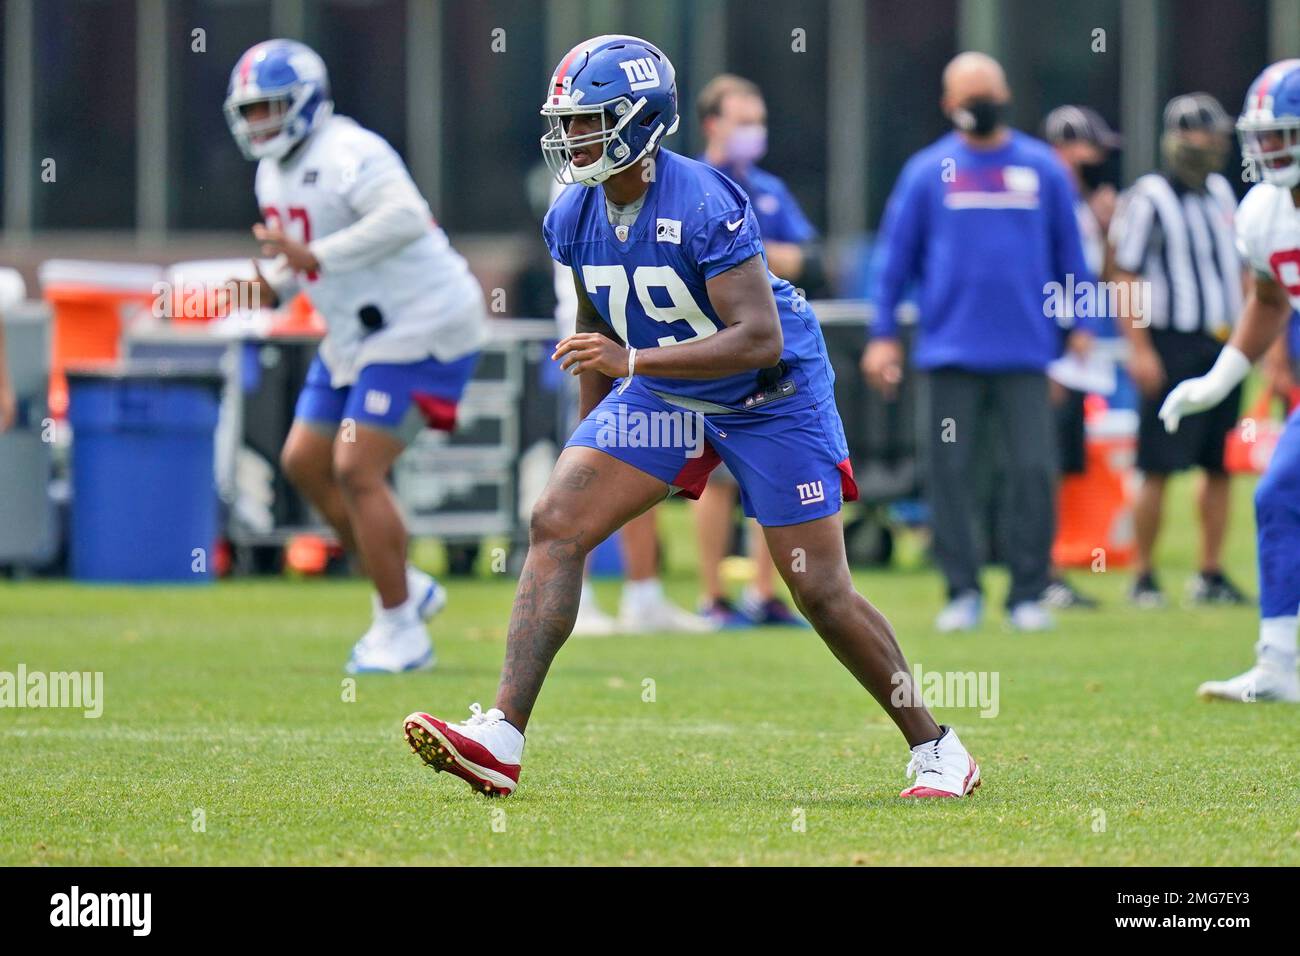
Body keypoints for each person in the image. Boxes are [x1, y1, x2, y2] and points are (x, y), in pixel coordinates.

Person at [403, 35, 981, 799]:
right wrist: (593, 438)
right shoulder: (573, 212)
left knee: (818, 588)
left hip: (769, 395)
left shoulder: (704, 199)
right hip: (669, 393)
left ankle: (938, 747)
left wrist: (631, 365)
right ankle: (502, 736)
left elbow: (758, 337)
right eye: (567, 123)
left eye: (590, 121)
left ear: (641, 122)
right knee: (555, 521)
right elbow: (594, 337)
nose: (573, 138)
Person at [223, 39, 488, 672]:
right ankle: (403, 585)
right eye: (251, 110)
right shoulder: (272, 172)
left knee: (356, 465)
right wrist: (274, 281)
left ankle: (401, 628)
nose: (260, 123)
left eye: (272, 107)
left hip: (422, 321)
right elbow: (306, 253)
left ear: (306, 102)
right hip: (353, 335)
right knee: (304, 462)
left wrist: (316, 258)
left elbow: (403, 217)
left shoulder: (350, 150)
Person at [862, 52, 1094, 633]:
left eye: (987, 92)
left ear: (1006, 94)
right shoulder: (926, 172)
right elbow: (895, 261)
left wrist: (1081, 327)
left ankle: (1027, 592)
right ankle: (961, 590)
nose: (979, 104)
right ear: (948, 105)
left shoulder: (1042, 169)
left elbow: (1072, 256)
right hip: (949, 353)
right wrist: (883, 336)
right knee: (951, 472)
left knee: (1032, 470)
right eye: (968, 97)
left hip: (1026, 354)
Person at [1161, 60, 1300, 702]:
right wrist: (1220, 379)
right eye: (1263, 134)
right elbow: (1270, 300)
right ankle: (1278, 664)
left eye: (1284, 132)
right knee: (1277, 495)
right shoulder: (1263, 212)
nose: (1269, 148)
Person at [548, 179, 716, 637]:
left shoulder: (674, 191)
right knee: (579, 484)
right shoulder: (575, 198)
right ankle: (578, 599)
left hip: (644, 345)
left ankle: (643, 592)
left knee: (636, 473)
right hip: (595, 345)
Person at [1108, 93, 1250, 608]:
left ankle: (1209, 573)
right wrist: (1139, 347)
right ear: (1177, 138)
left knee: (1219, 463)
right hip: (1170, 341)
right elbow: (1123, 272)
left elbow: (1242, 268)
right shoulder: (1148, 196)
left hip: (1221, 341)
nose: (1212, 143)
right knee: (1159, 462)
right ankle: (1143, 575)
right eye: (1202, 133)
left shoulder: (1220, 192)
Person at [694, 74, 816, 627]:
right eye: (743, 121)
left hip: (768, 354)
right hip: (709, 346)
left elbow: (798, 255)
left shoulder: (767, 187)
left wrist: (750, 263)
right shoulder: (693, 183)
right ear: (713, 124)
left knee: (768, 470)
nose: (753, 132)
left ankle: (764, 594)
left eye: (758, 122)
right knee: (714, 480)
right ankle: (712, 596)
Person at [1041, 104, 1123, 609]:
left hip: (1075, 353)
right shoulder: (1046, 202)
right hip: (1050, 351)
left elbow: (1094, 275)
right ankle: (1039, 573)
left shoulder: (1078, 205)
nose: (1097, 160)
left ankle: (1049, 569)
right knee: (1042, 464)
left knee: (1061, 463)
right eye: (1089, 149)